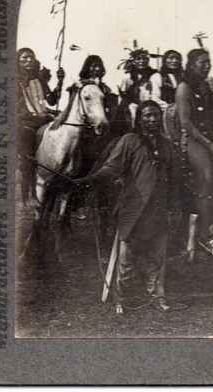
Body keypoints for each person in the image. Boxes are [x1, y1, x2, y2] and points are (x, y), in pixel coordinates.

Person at [73, 101, 186, 313]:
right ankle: (121, 298)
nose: (152, 120)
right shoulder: (129, 141)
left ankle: (156, 296)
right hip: (134, 209)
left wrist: (175, 206)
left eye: (155, 115)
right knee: (126, 261)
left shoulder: (166, 144)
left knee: (156, 258)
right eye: (147, 116)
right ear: (139, 119)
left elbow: (174, 178)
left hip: (158, 209)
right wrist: (88, 180)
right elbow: (111, 169)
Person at [174, 48, 213, 256]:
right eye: (202, 62)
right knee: (206, 174)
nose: (207, 65)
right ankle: (205, 234)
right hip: (193, 140)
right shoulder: (184, 88)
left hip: (208, 137)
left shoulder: (204, 86)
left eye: (209, 61)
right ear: (191, 64)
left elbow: (211, 115)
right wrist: (208, 143)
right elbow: (186, 123)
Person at [17, 48, 64, 204]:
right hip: (25, 122)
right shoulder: (13, 79)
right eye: (25, 59)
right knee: (27, 156)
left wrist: (60, 82)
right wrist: (32, 115)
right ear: (18, 61)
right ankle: (28, 194)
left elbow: (51, 100)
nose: (29, 61)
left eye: (31, 58)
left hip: (43, 119)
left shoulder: (40, 78)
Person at [118, 47, 157, 123]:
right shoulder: (128, 77)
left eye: (144, 58)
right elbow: (122, 97)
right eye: (138, 59)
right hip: (133, 106)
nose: (141, 61)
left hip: (150, 104)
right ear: (133, 61)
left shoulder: (153, 75)